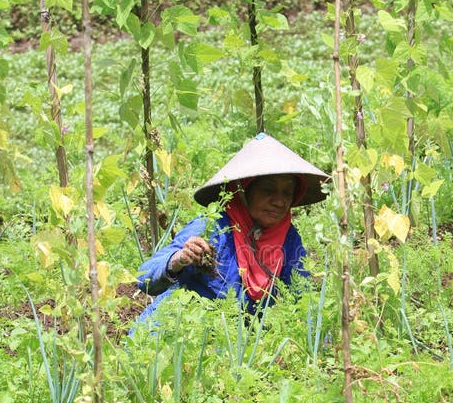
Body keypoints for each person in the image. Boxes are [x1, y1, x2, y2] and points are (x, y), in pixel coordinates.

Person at [135, 133, 329, 324]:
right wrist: (178, 260)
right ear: (244, 191)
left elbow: (304, 297)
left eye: (287, 193)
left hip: (239, 344)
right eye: (268, 190)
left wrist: (323, 343)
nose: (279, 201)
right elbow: (145, 278)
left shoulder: (288, 238)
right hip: (181, 333)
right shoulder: (213, 226)